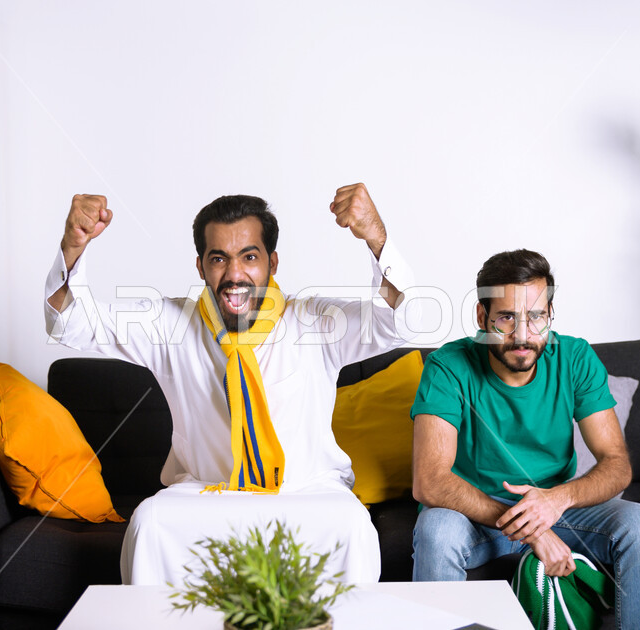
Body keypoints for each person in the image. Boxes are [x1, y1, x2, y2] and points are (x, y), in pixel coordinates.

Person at [44, 184, 412, 585]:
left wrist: (376, 237)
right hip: (208, 495)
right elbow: (70, 323)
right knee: (149, 523)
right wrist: (72, 246)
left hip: (307, 495)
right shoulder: (169, 323)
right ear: (201, 267)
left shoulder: (315, 320)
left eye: (249, 257)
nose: (235, 275)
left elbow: (397, 321)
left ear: (272, 262)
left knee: (353, 525)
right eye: (219, 259)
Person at [409, 249, 640, 628]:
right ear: (482, 318)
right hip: (475, 515)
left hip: (557, 507)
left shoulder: (576, 357)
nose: (523, 336)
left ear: (550, 315)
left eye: (536, 317)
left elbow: (616, 462)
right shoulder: (448, 367)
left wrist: (556, 501)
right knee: (435, 530)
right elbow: (430, 480)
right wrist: (532, 528)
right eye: (506, 318)